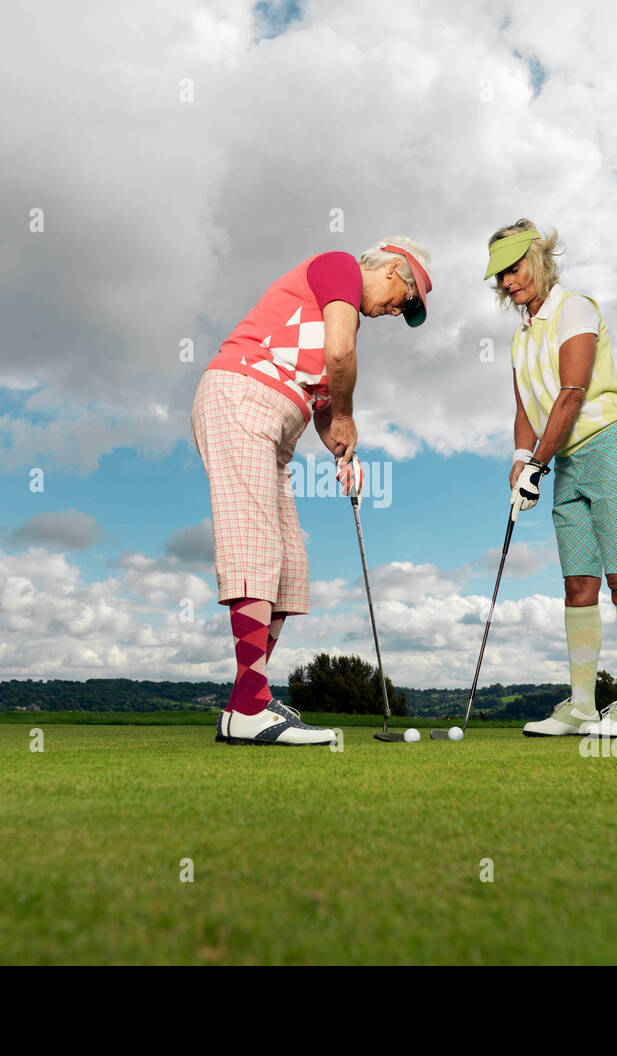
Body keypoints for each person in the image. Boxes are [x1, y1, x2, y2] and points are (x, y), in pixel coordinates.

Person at [192, 238, 433, 745]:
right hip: (241, 396)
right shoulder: (339, 267)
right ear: (393, 268)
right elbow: (340, 357)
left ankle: (244, 703)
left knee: (290, 567)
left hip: (277, 426)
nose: (399, 311)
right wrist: (346, 415)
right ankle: (252, 709)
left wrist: (344, 453)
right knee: (255, 547)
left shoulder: (340, 319)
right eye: (406, 299)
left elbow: (326, 409)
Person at [483, 219, 617, 737]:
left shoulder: (574, 308)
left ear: (537, 260)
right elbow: (524, 407)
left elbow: (572, 395)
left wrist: (537, 463)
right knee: (578, 583)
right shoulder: (520, 338)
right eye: (499, 277)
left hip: (612, 446)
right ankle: (583, 705)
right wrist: (521, 457)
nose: (507, 283)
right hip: (564, 458)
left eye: (513, 269)